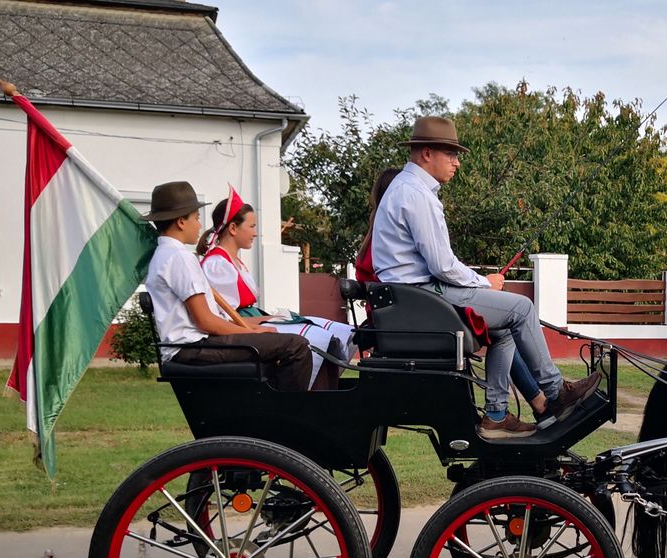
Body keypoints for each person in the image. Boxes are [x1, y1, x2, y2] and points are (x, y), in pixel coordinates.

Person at [371, 116, 601, 438]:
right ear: (426, 153)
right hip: (422, 297)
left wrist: (479, 281)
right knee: (521, 309)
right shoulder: (416, 194)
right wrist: (484, 282)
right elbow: (441, 265)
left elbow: (439, 262)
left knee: (504, 328)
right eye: (450, 154)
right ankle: (556, 393)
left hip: (413, 297)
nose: (457, 163)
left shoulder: (404, 189)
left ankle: (495, 414)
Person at [358, 168, 550, 420]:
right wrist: (482, 284)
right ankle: (541, 399)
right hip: (410, 318)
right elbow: (435, 271)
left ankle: (512, 409)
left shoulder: (375, 243)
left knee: (503, 330)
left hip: (406, 315)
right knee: (514, 315)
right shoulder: (385, 243)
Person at [141, 181, 311, 391]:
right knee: (296, 347)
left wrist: (250, 327)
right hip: (194, 347)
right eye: (196, 218)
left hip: (190, 345)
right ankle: (285, 417)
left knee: (279, 340)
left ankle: (269, 411)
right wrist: (252, 334)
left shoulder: (164, 255)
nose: (200, 225)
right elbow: (205, 321)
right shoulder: (179, 257)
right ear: (181, 222)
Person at [199, 187, 355, 389]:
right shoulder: (217, 265)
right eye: (252, 226)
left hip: (252, 319)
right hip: (241, 327)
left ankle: (324, 395)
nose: (255, 233)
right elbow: (226, 318)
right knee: (320, 339)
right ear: (233, 228)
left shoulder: (233, 261)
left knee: (337, 330)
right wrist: (265, 320)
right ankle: (311, 398)